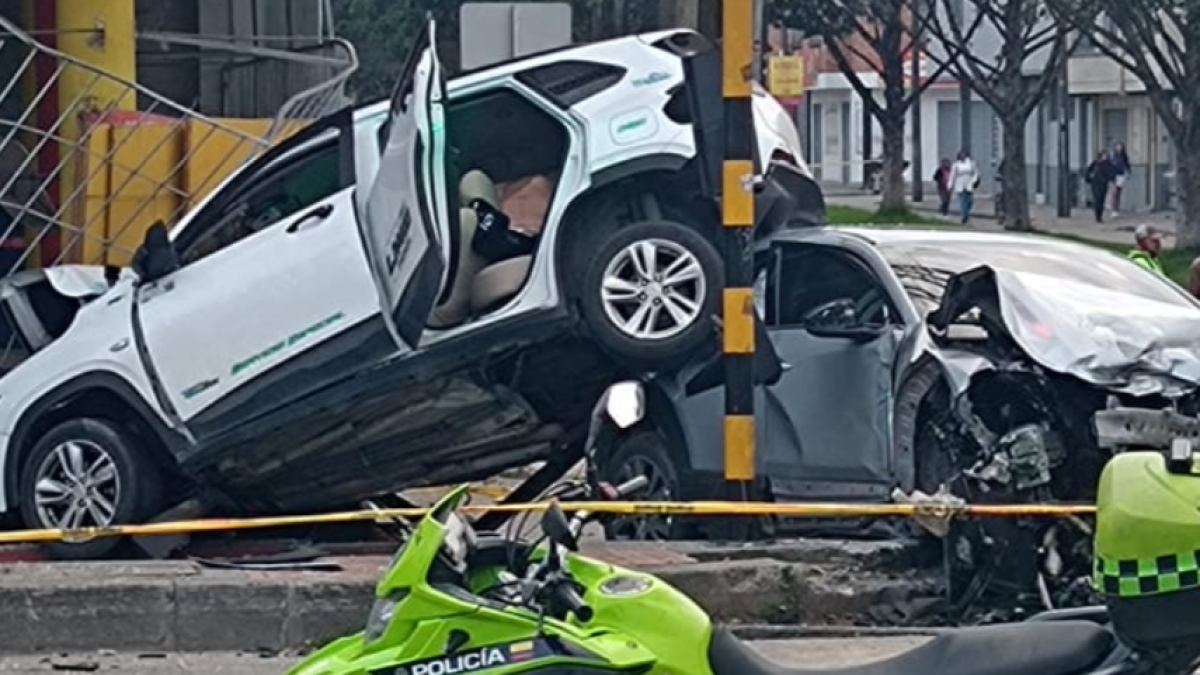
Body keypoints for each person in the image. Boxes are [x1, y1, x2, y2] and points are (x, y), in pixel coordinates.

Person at [948, 150, 980, 224]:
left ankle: (966, 213)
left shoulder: (971, 163)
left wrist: (974, 181)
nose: (963, 156)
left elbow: (976, 173)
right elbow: (952, 176)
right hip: (960, 183)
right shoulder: (956, 165)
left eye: (964, 155)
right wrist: (950, 185)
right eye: (961, 155)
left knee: (970, 201)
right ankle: (964, 216)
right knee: (963, 200)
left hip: (969, 182)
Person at [1085, 151, 1116, 223]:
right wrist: (1089, 179)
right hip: (1095, 183)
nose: (1105, 157)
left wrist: (1111, 179)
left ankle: (1099, 216)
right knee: (1097, 200)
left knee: (1101, 200)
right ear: (1100, 156)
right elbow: (1088, 171)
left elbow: (1112, 173)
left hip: (1103, 184)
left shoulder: (1108, 164)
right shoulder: (1095, 163)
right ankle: (1097, 216)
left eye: (1106, 155)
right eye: (1104, 155)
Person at [1109, 141, 1131, 217]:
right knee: (1114, 193)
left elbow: (1127, 164)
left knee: (1118, 193)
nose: (1119, 148)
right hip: (1114, 175)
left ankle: (1116, 209)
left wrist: (1128, 172)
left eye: (1121, 146)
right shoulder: (1112, 155)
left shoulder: (1124, 155)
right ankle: (1113, 209)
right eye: (1118, 146)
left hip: (1121, 175)